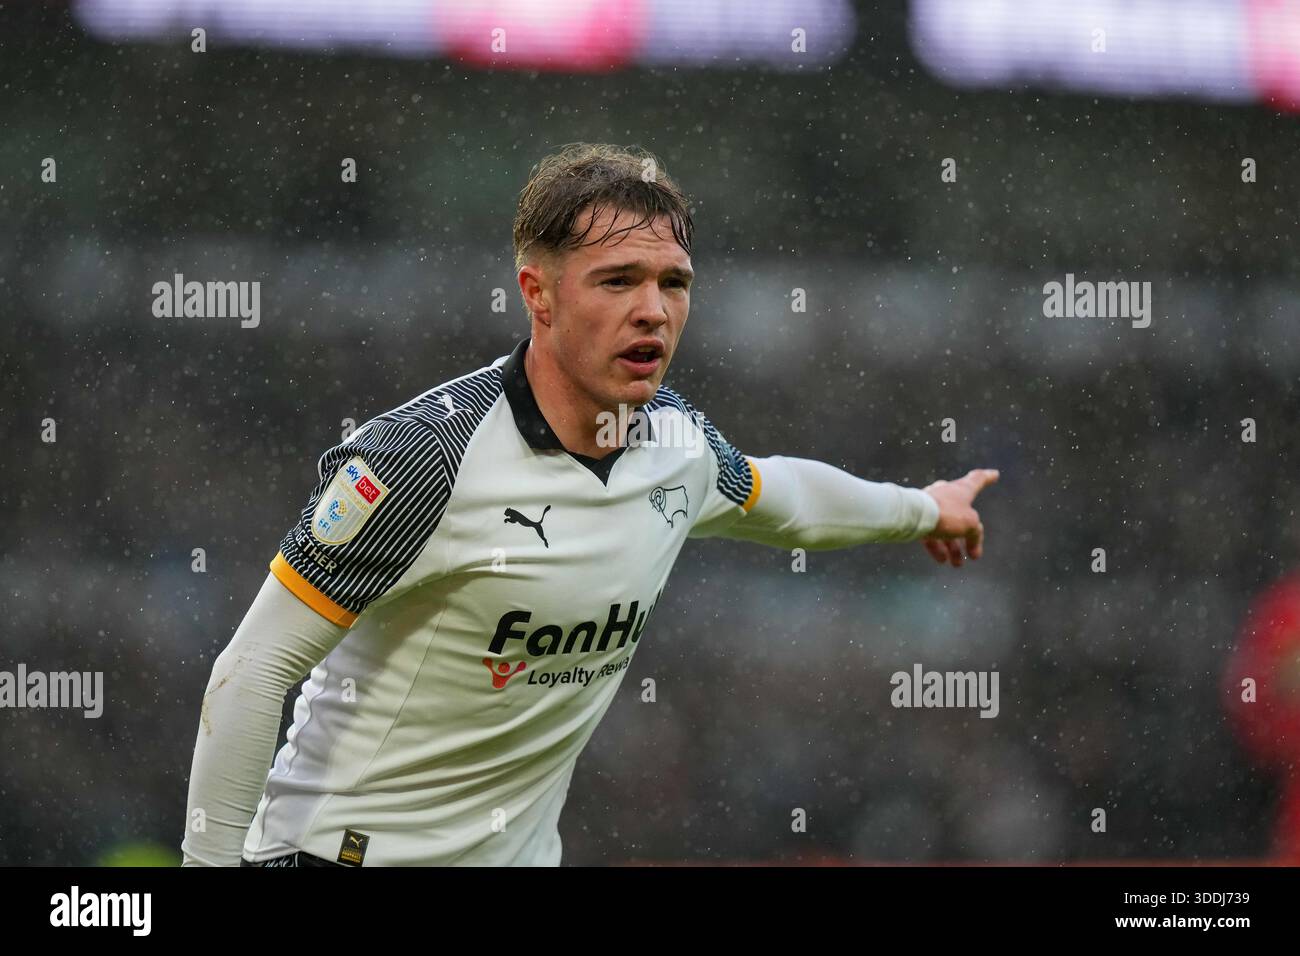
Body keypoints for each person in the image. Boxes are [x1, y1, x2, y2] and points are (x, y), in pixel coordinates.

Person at [181, 142, 999, 866]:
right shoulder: (421, 459)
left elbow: (783, 496)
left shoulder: (677, 447)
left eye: (673, 282)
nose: (653, 309)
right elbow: (254, 669)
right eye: (618, 280)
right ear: (538, 294)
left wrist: (924, 508)